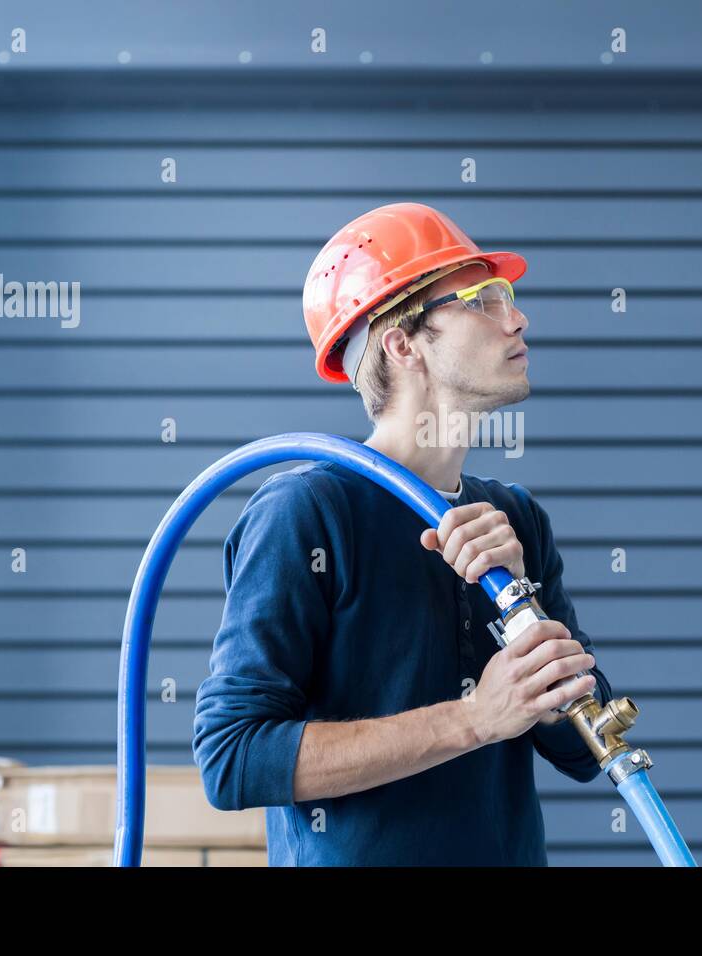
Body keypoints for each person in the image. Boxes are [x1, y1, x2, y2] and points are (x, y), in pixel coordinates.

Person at [193, 202, 613, 865]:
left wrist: (522, 607)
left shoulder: (515, 518)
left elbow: (587, 749)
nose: (519, 318)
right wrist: (476, 718)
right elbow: (233, 758)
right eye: (485, 300)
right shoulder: (308, 513)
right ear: (402, 343)